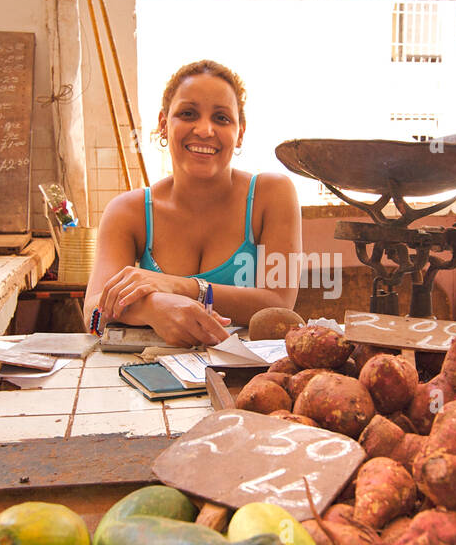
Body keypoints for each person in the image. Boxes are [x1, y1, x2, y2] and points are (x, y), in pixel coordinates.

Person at [85, 59, 302, 347]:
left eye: (222, 118)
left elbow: (280, 305)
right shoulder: (129, 211)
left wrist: (180, 286)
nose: (204, 129)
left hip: (244, 379)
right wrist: (153, 307)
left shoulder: (271, 194)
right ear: (164, 125)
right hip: (150, 375)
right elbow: (93, 317)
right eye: (188, 114)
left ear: (240, 133)